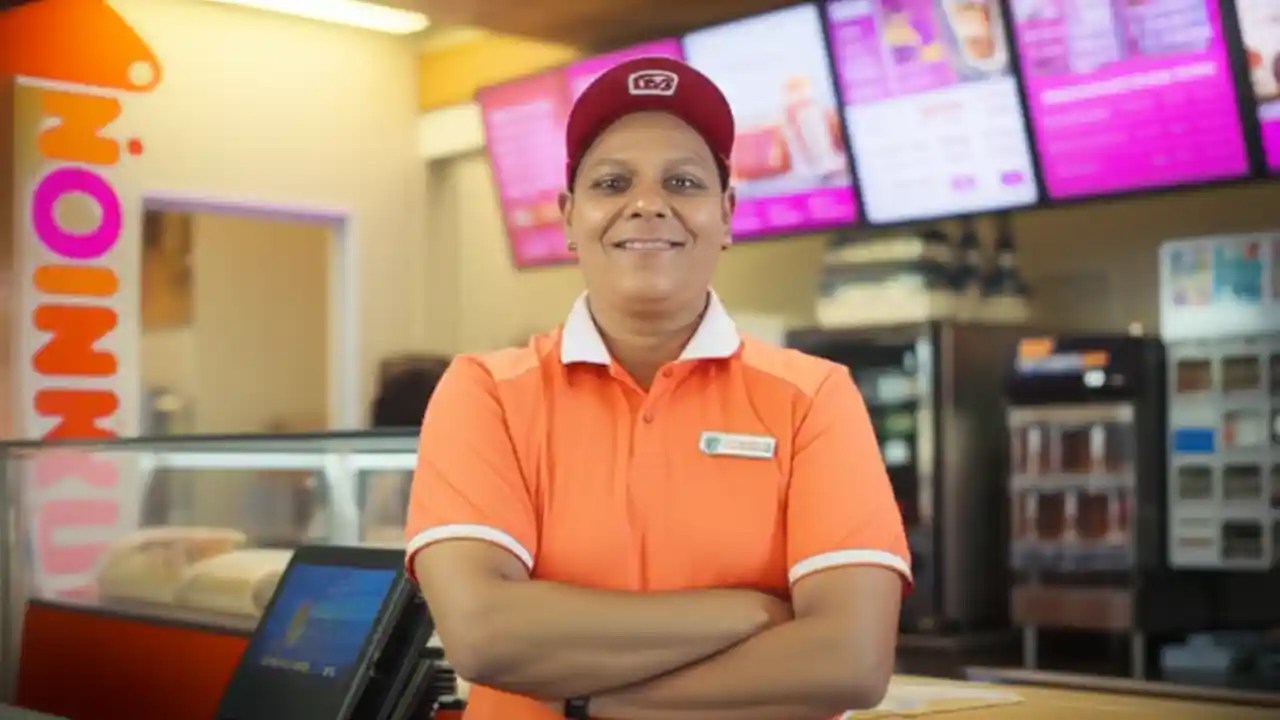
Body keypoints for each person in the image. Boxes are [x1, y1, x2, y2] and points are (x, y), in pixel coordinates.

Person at [405, 56, 911, 720]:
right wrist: (752, 612)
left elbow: (848, 660)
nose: (647, 203)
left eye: (683, 181)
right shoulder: (485, 393)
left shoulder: (813, 399)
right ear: (568, 217)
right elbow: (484, 633)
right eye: (613, 182)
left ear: (726, 214)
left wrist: (586, 699)